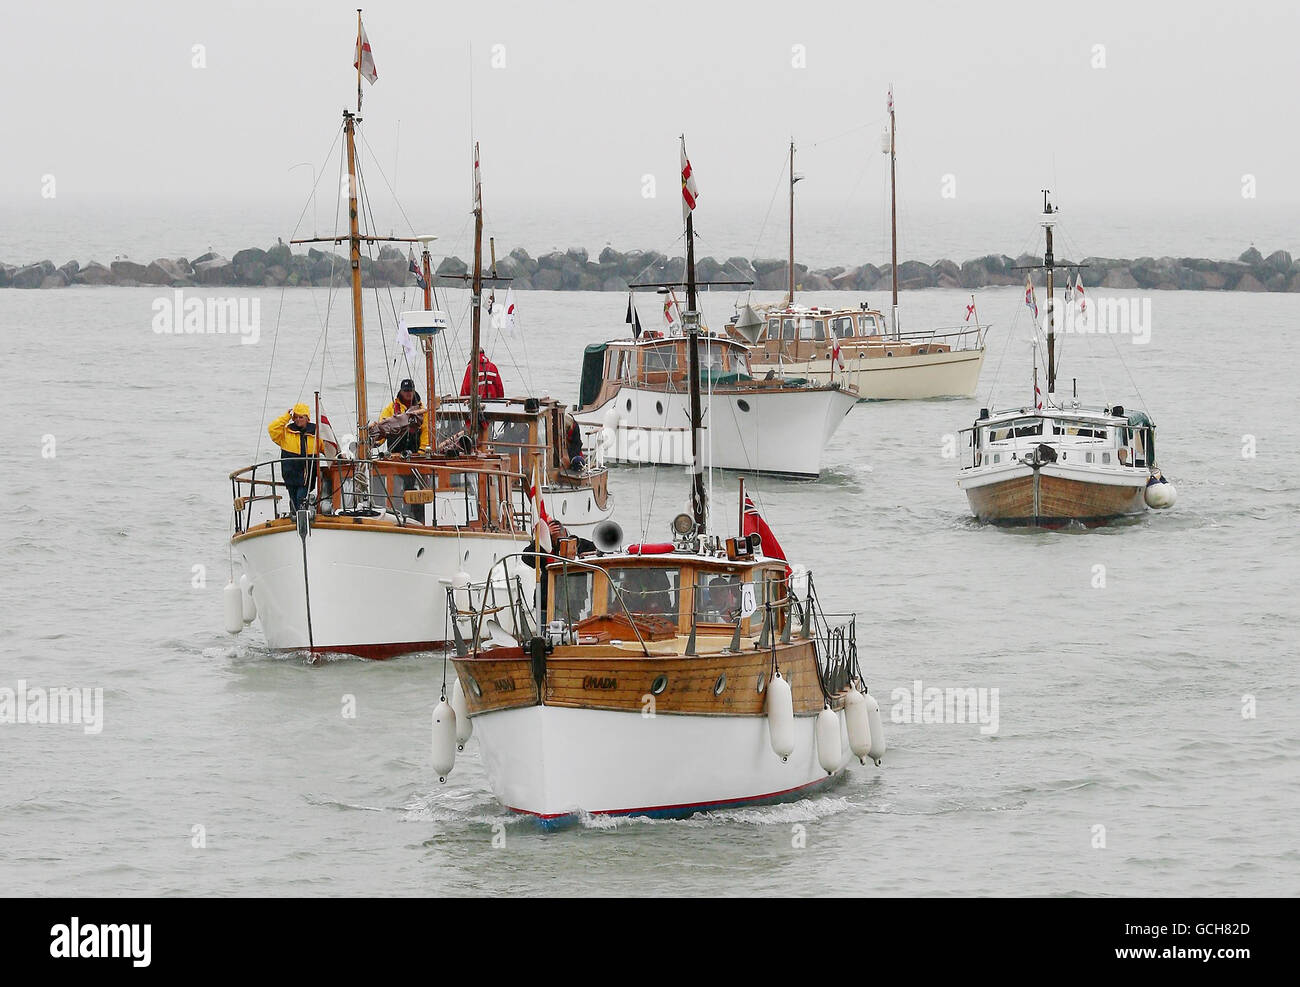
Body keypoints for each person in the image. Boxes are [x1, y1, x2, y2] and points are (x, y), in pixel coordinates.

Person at [268, 403, 325, 513]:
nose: (298, 420)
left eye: (301, 417)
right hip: (290, 474)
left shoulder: (316, 433)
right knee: (293, 499)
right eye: (296, 417)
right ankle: (295, 517)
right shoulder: (286, 433)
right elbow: (272, 429)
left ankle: (301, 517)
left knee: (301, 498)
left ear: (307, 418)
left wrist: (339, 455)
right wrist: (286, 416)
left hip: (307, 475)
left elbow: (326, 447)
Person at [377, 379, 429, 455]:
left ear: (414, 391)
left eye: (410, 390)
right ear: (401, 391)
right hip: (394, 450)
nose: (408, 393)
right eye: (405, 390)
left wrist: (422, 449)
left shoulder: (422, 410)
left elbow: (426, 430)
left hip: (414, 450)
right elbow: (383, 427)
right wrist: (377, 442)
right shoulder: (391, 408)